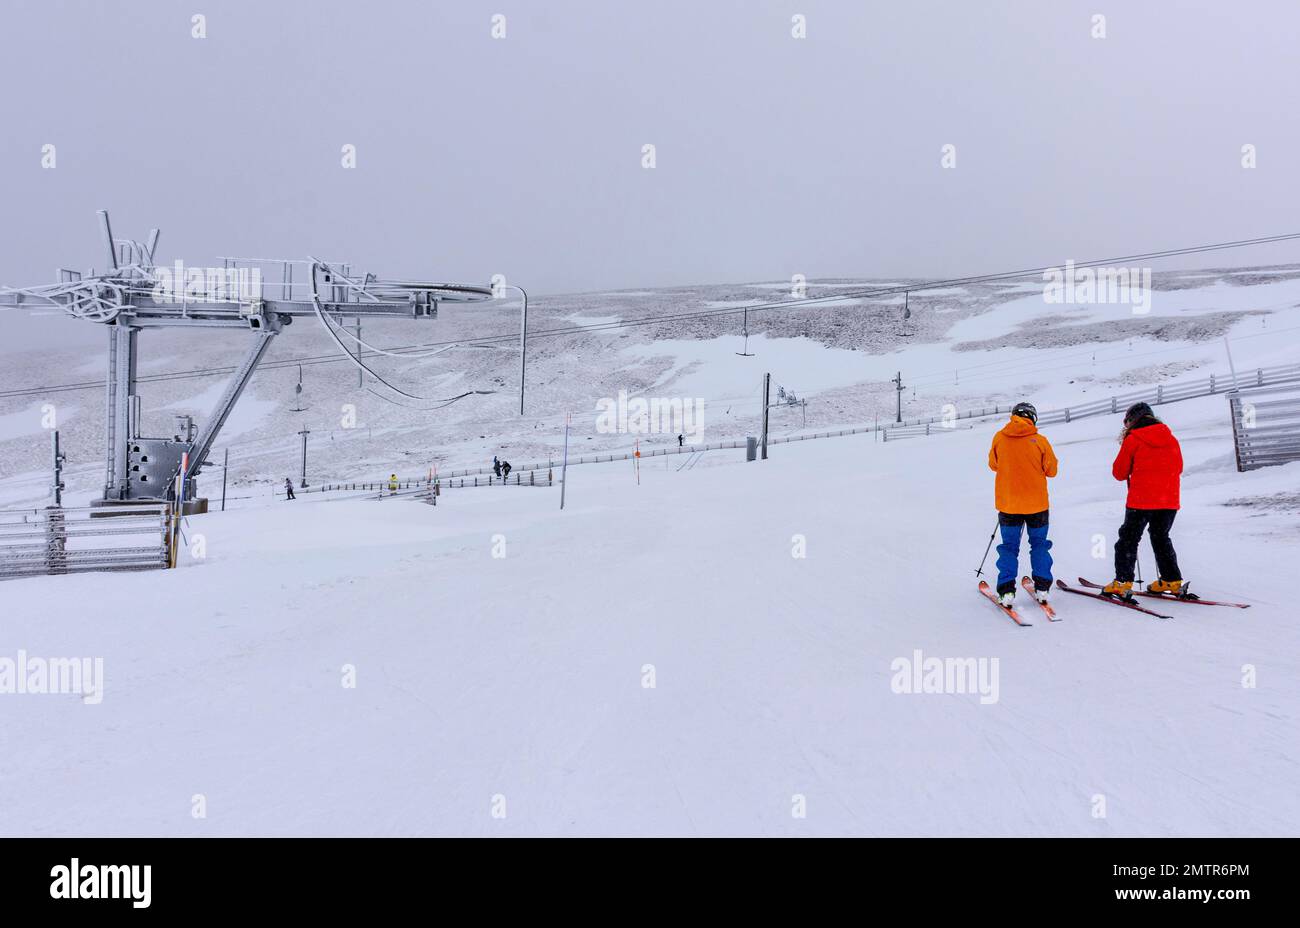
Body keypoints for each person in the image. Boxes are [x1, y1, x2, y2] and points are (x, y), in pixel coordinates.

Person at [1103, 403, 1185, 599]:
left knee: (1128, 541)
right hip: (1168, 500)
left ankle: (1122, 583)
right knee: (1160, 537)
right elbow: (1179, 467)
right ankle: (1171, 580)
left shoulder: (1133, 440)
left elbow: (1119, 473)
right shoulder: (1171, 439)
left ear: (1132, 421)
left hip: (1141, 501)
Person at [987, 401, 1059, 606]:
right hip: (1037, 505)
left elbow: (993, 464)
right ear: (1033, 418)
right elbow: (1052, 470)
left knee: (1009, 547)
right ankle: (1043, 588)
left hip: (1009, 504)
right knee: (1039, 545)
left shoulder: (999, 438)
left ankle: (1007, 591)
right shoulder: (1040, 440)